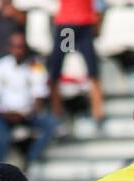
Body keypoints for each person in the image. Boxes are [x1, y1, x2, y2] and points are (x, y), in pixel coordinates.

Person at [0, 32, 58, 167]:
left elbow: (39, 95)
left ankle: (31, 161)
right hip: (4, 114)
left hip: (27, 114)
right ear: (9, 48)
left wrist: (28, 112)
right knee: (3, 137)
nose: (19, 50)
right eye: (16, 47)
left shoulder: (35, 66)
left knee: (51, 123)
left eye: (21, 47)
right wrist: (4, 113)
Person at [46, 0, 105, 129]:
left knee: (92, 70)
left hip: (83, 24)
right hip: (69, 25)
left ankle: (98, 113)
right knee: (57, 71)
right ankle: (56, 114)